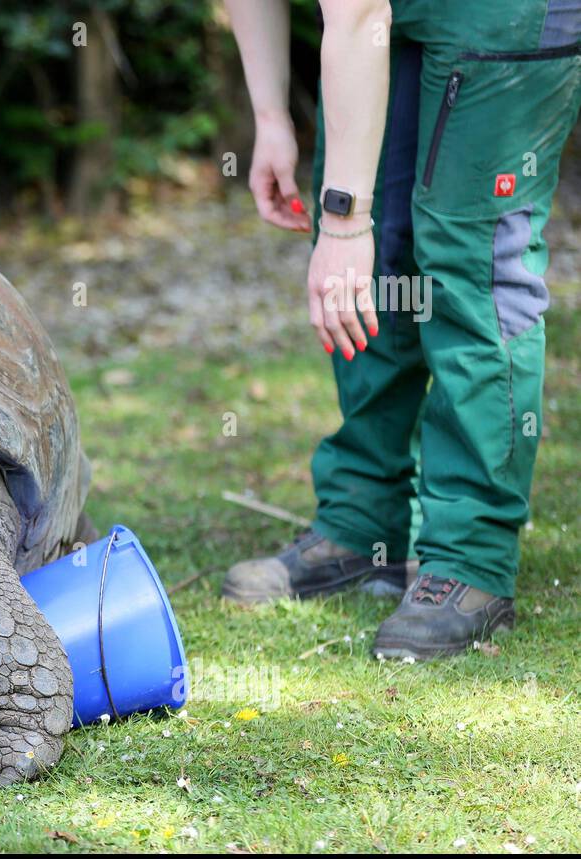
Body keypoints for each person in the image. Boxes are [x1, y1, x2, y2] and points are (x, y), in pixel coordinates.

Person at [222, 0, 581, 659]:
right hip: (392, 15)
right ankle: (364, 522)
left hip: (507, 16)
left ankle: (470, 555)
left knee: (471, 266)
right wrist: (270, 118)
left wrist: (340, 224)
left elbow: (357, 12)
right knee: (382, 247)